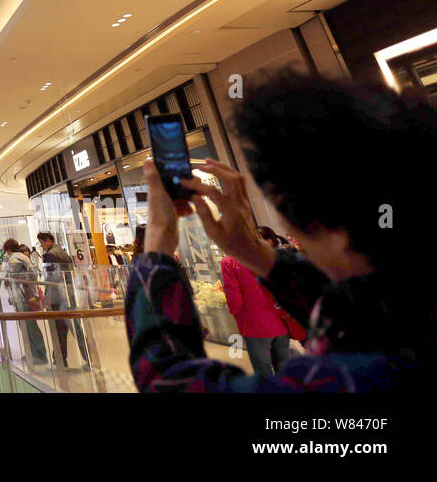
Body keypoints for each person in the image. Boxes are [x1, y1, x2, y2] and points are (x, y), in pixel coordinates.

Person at [125, 74, 430, 391]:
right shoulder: (400, 303)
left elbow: (168, 381)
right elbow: (361, 309)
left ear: (331, 232)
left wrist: (156, 250)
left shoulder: (345, 381)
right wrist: (254, 253)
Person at [220, 232, 291, 378]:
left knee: (263, 371)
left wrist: (235, 313)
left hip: (253, 323)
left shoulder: (229, 262)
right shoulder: (270, 256)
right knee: (285, 368)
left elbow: (234, 298)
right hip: (279, 319)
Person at [37, 231, 90, 370]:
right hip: (68, 293)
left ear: (48, 240)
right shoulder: (62, 252)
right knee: (70, 328)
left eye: (42, 243)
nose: (41, 246)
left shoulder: (50, 255)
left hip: (58, 295)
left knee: (61, 329)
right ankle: (63, 360)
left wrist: (47, 295)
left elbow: (51, 277)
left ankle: (62, 361)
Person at [2, 239, 48, 367]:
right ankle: (33, 354)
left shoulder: (15, 258)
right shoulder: (22, 257)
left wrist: (8, 282)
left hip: (24, 297)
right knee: (28, 326)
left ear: (8, 249)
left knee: (29, 327)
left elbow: (13, 277)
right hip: (28, 295)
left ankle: (39, 355)